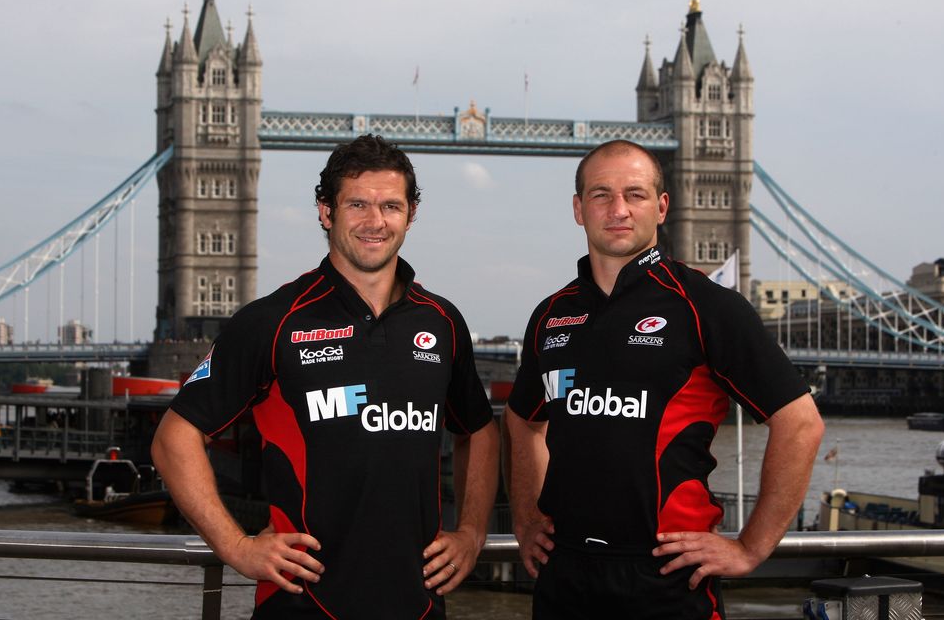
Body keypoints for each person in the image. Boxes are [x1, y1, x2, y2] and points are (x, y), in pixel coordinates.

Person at [152, 134, 499, 619]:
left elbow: (479, 431)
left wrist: (472, 532)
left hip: (417, 604)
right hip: (303, 604)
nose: (375, 221)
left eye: (391, 206)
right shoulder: (271, 321)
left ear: (411, 215)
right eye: (357, 203)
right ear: (325, 211)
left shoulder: (441, 321)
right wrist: (236, 546)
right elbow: (174, 438)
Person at [504, 139, 824, 619]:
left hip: (665, 574)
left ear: (661, 206)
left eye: (634, 194)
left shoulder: (707, 306)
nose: (618, 210)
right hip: (564, 571)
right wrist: (527, 519)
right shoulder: (551, 315)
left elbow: (800, 424)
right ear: (578, 209)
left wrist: (751, 547)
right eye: (600, 195)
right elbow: (523, 421)